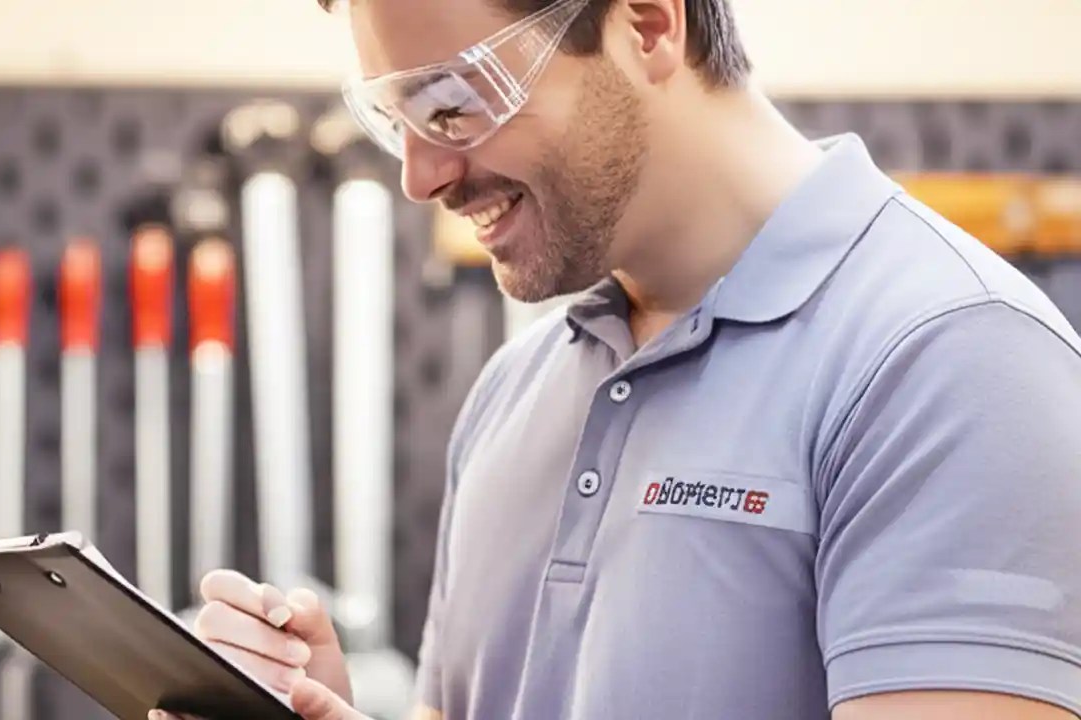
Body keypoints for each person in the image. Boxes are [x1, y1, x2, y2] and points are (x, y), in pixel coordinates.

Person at [153, 0, 1081, 718]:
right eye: (395, 117)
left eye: (454, 102)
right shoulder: (512, 393)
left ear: (646, 24)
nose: (421, 175)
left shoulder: (956, 362)